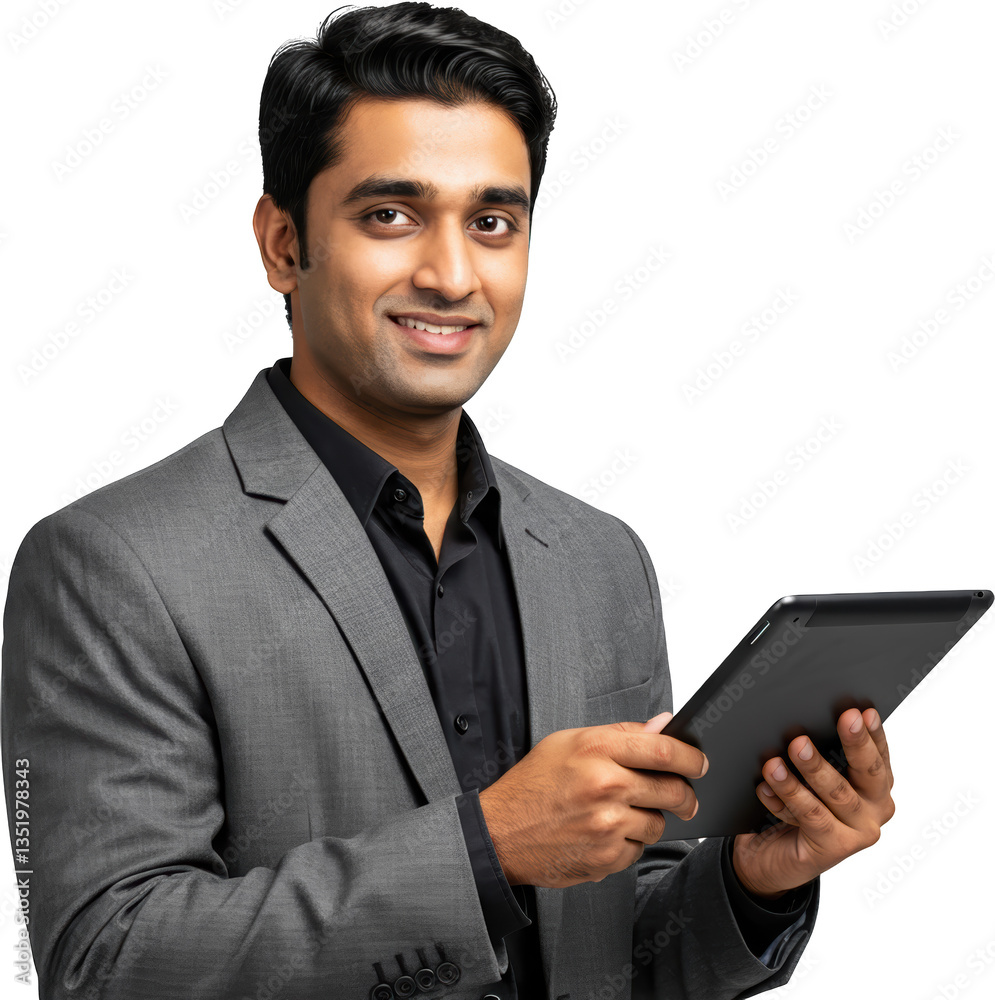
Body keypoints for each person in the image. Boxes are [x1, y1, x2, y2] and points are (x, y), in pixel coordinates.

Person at [1, 4, 895, 999]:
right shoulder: (110, 564)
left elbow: (611, 954)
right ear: (283, 243)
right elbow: (106, 965)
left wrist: (747, 882)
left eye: (492, 221)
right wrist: (486, 846)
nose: (451, 274)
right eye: (390, 214)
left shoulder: (599, 560)